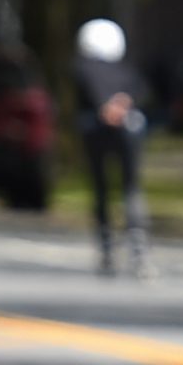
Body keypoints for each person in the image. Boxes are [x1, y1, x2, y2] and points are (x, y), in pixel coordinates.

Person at [72, 18, 151, 278]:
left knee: (103, 188)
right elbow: (140, 92)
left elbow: (90, 93)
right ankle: (136, 249)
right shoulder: (126, 70)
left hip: (98, 130)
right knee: (130, 186)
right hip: (123, 130)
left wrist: (107, 109)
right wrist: (122, 105)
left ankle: (109, 248)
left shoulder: (82, 67)